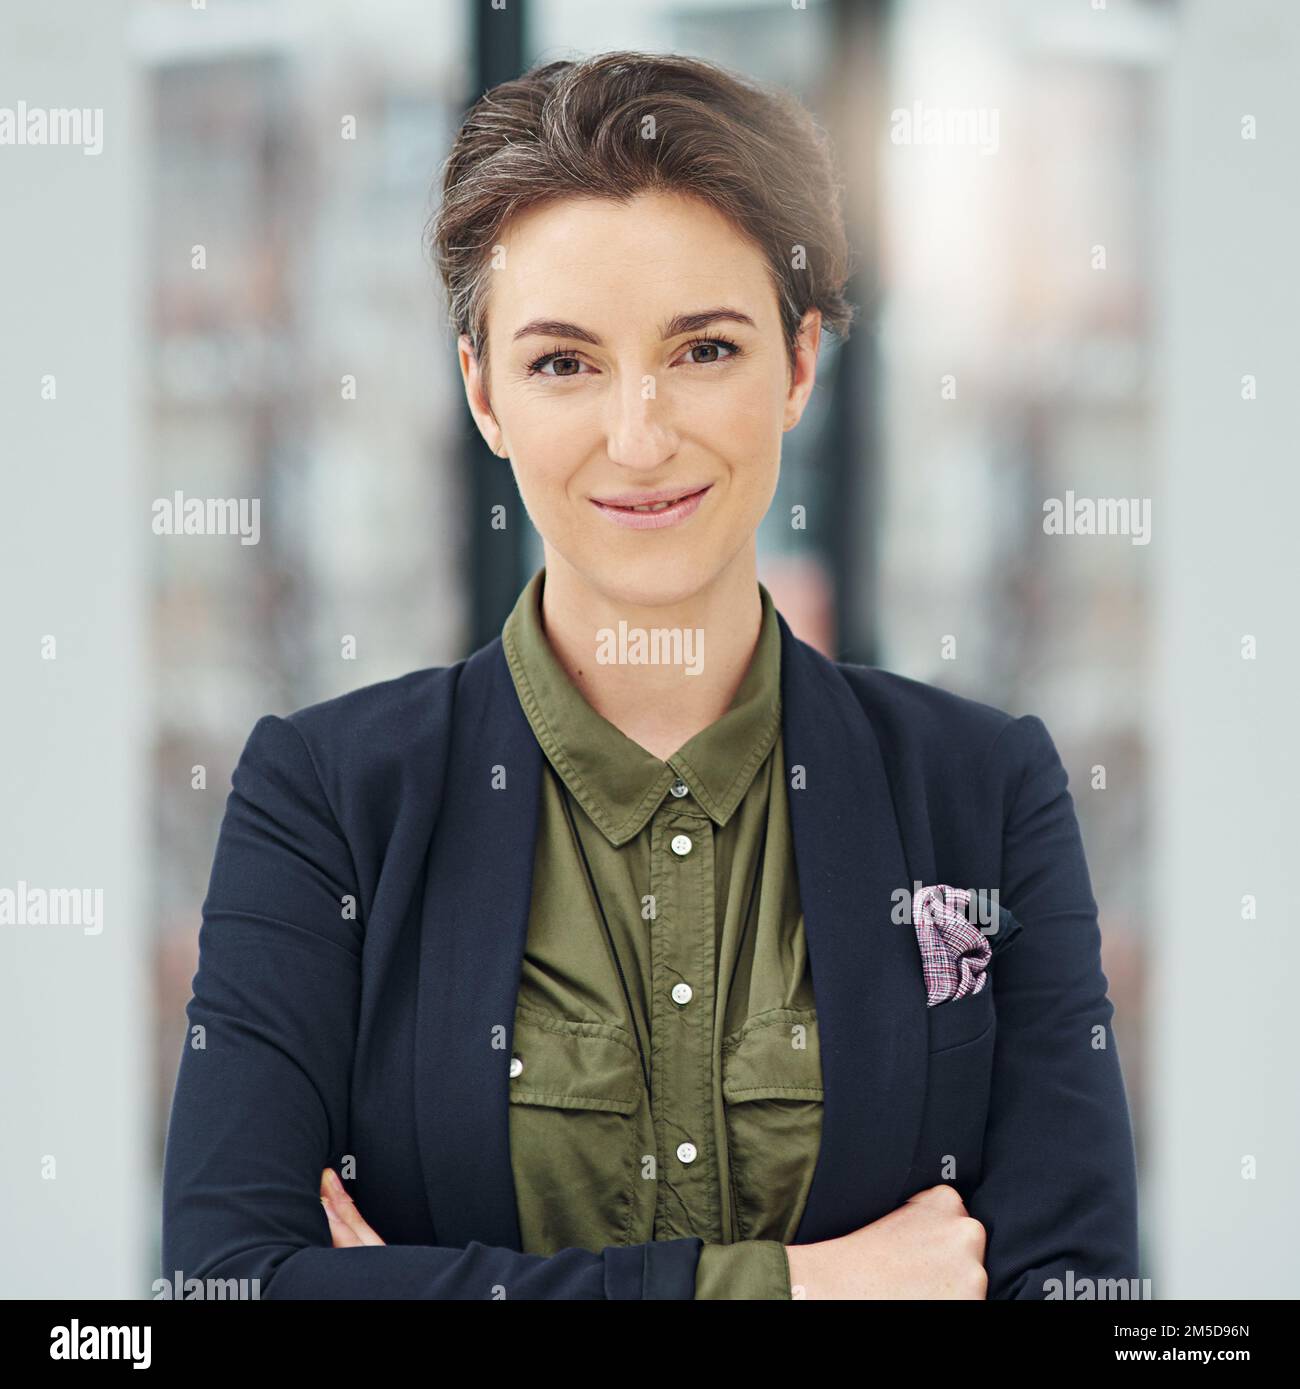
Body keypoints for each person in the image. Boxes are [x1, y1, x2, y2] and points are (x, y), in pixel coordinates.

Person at [161, 50, 1139, 1300]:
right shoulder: (328, 802)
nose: (638, 437)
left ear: (798, 366)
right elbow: (225, 1288)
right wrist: (800, 1286)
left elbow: (1086, 1293)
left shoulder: (981, 791)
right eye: (563, 362)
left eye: (704, 351)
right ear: (484, 394)